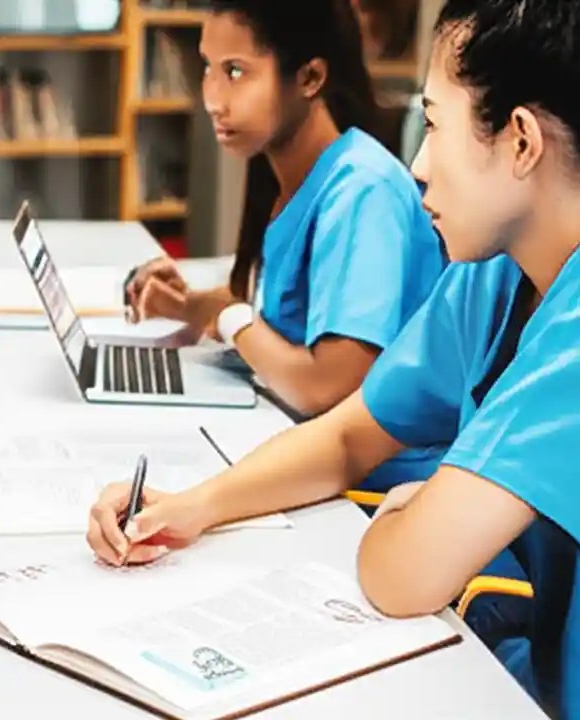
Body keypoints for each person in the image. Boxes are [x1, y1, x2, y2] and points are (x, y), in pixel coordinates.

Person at [90, 0, 580, 714]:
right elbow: (353, 430)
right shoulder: (493, 276)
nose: (416, 163)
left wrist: (404, 515)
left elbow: (404, 573)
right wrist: (194, 506)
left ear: (521, 142)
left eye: (435, 125)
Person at [125, 0, 446, 492]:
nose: (213, 97)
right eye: (208, 68)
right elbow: (284, 325)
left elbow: (326, 387)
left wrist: (230, 316)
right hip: (305, 455)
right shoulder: (286, 173)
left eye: (236, 72)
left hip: (376, 490)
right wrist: (192, 306)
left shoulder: (362, 188)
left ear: (310, 78)